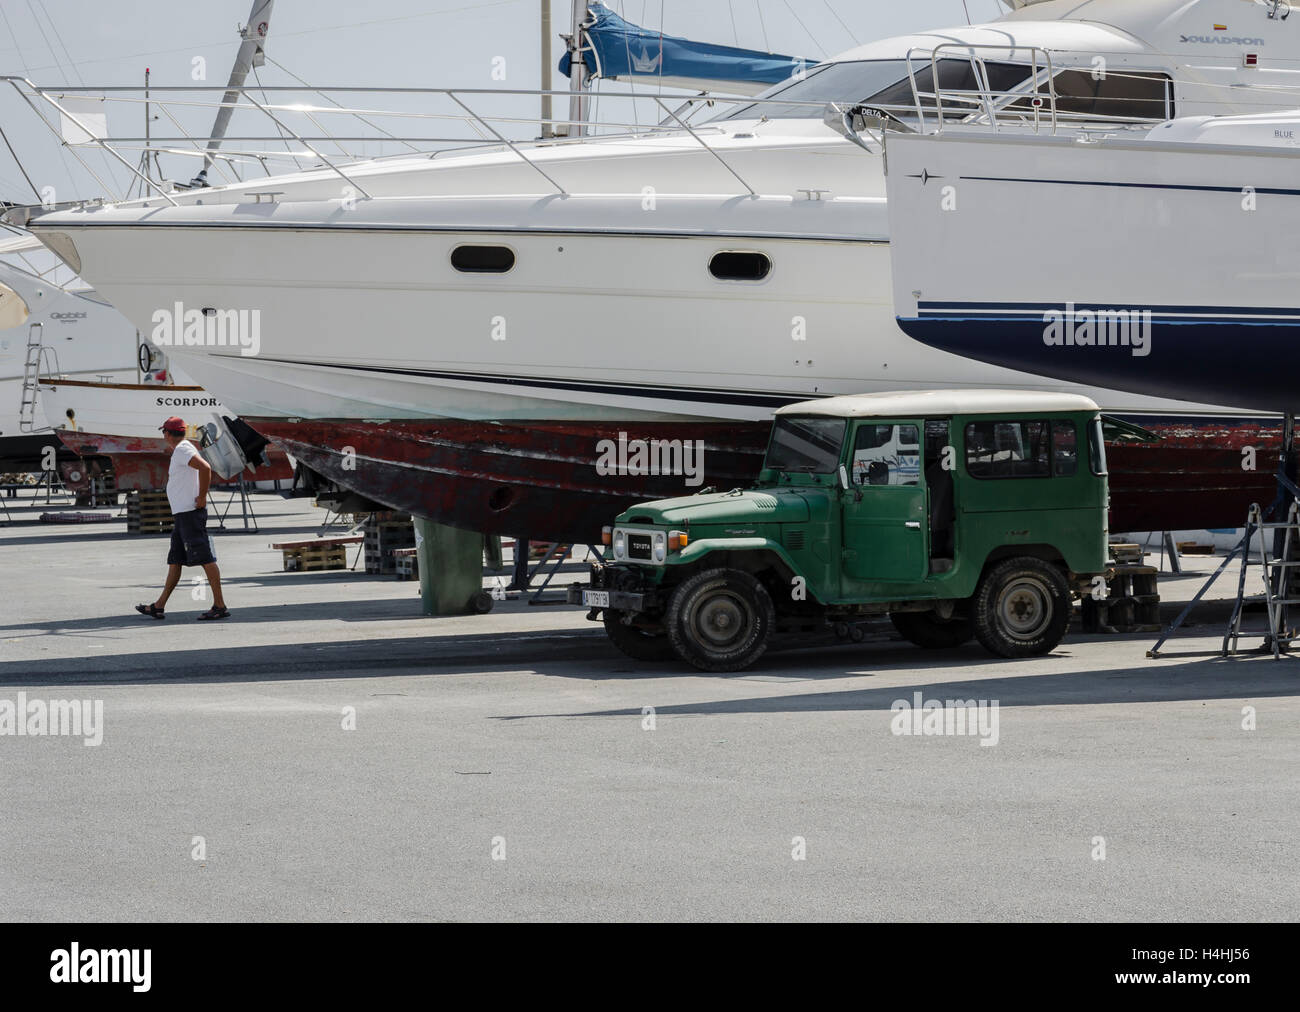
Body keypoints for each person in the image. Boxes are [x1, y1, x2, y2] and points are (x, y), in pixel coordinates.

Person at [135, 416, 230, 620]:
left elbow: (205, 468)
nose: (164, 436)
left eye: (164, 432)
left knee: (205, 557)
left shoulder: (182, 450)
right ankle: (159, 606)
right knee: (175, 560)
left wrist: (202, 497)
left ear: (168, 434)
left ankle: (220, 606)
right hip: (182, 515)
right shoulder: (182, 449)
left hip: (190, 514)